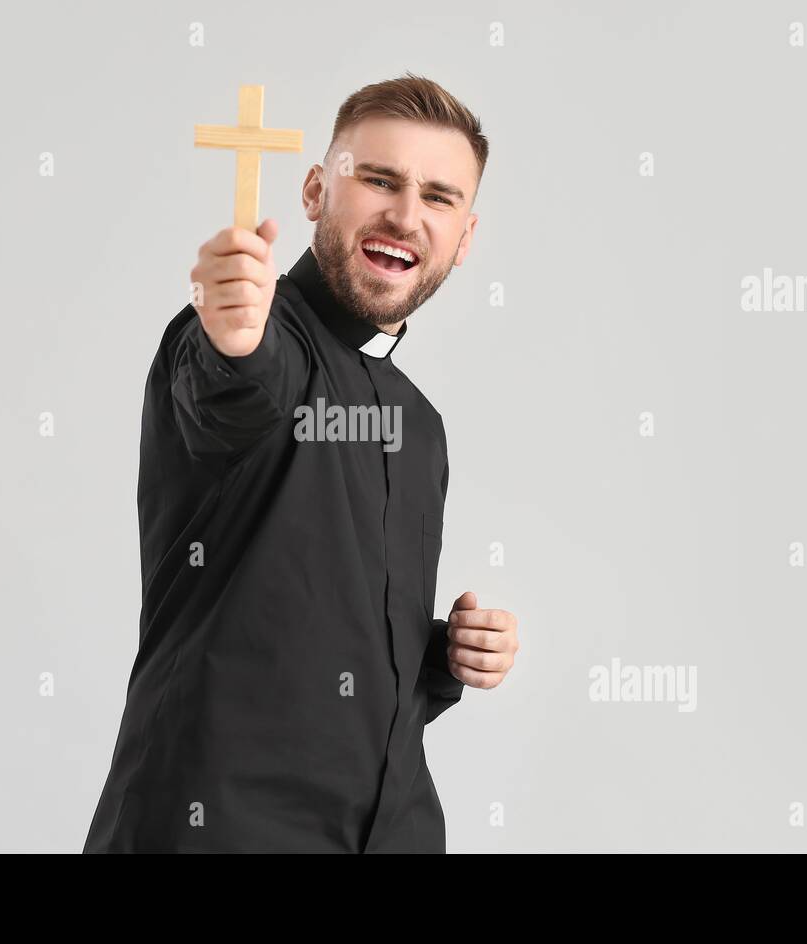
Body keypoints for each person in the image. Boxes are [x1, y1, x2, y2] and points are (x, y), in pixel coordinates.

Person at [84, 73, 519, 853]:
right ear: (318, 190)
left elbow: (327, 634)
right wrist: (233, 333)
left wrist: (446, 656)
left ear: (466, 237)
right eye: (379, 180)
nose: (407, 215)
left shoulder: (420, 427)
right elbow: (235, 387)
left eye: (439, 197)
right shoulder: (241, 337)